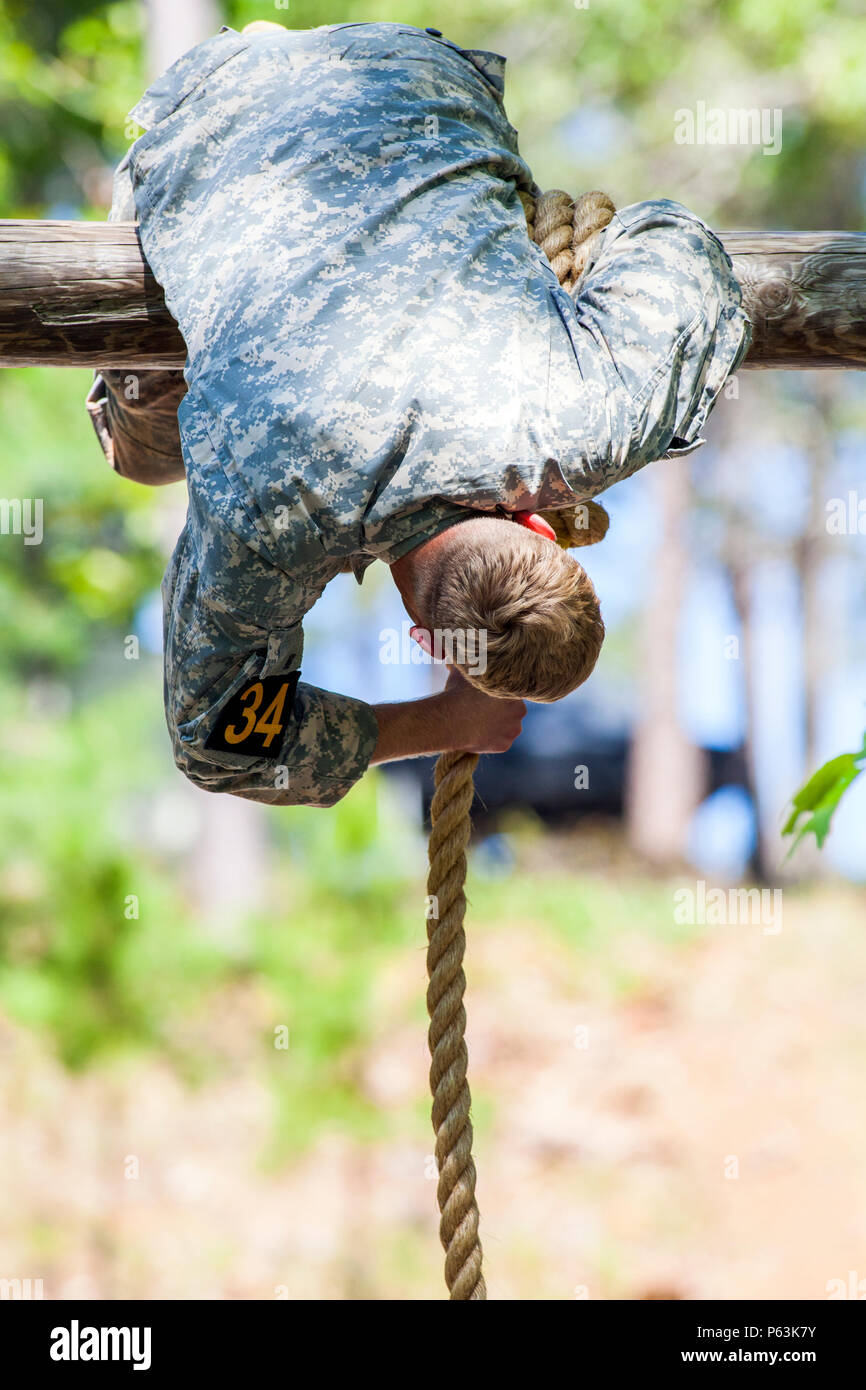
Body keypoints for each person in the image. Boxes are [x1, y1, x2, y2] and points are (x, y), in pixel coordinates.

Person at [86, 20, 751, 807]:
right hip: (202, 111)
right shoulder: (266, 527)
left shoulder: (583, 427)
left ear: (542, 525)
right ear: (428, 640)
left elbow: (681, 242)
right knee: (146, 457)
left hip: (409, 69)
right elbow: (216, 741)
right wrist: (444, 721)